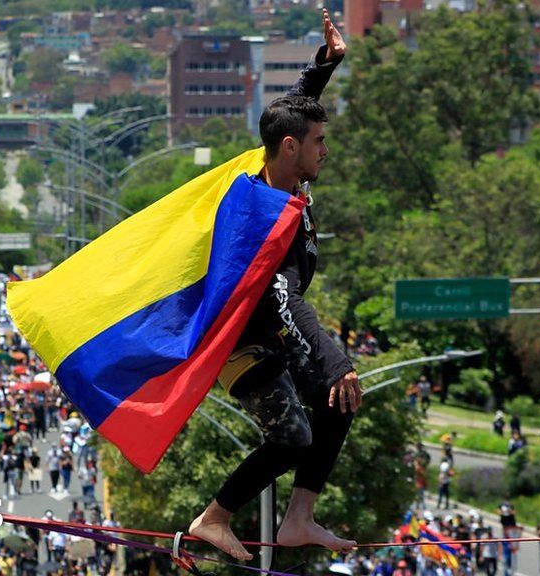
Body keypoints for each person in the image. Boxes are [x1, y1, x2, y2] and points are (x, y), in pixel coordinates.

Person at [187, 9, 358, 563]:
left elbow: (290, 111)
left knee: (338, 401)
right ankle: (212, 519)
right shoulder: (266, 215)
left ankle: (298, 520)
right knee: (292, 438)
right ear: (290, 148)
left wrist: (324, 65)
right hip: (242, 344)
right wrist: (335, 360)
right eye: (318, 142)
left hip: (272, 335)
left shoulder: (275, 169)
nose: (324, 150)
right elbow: (285, 296)